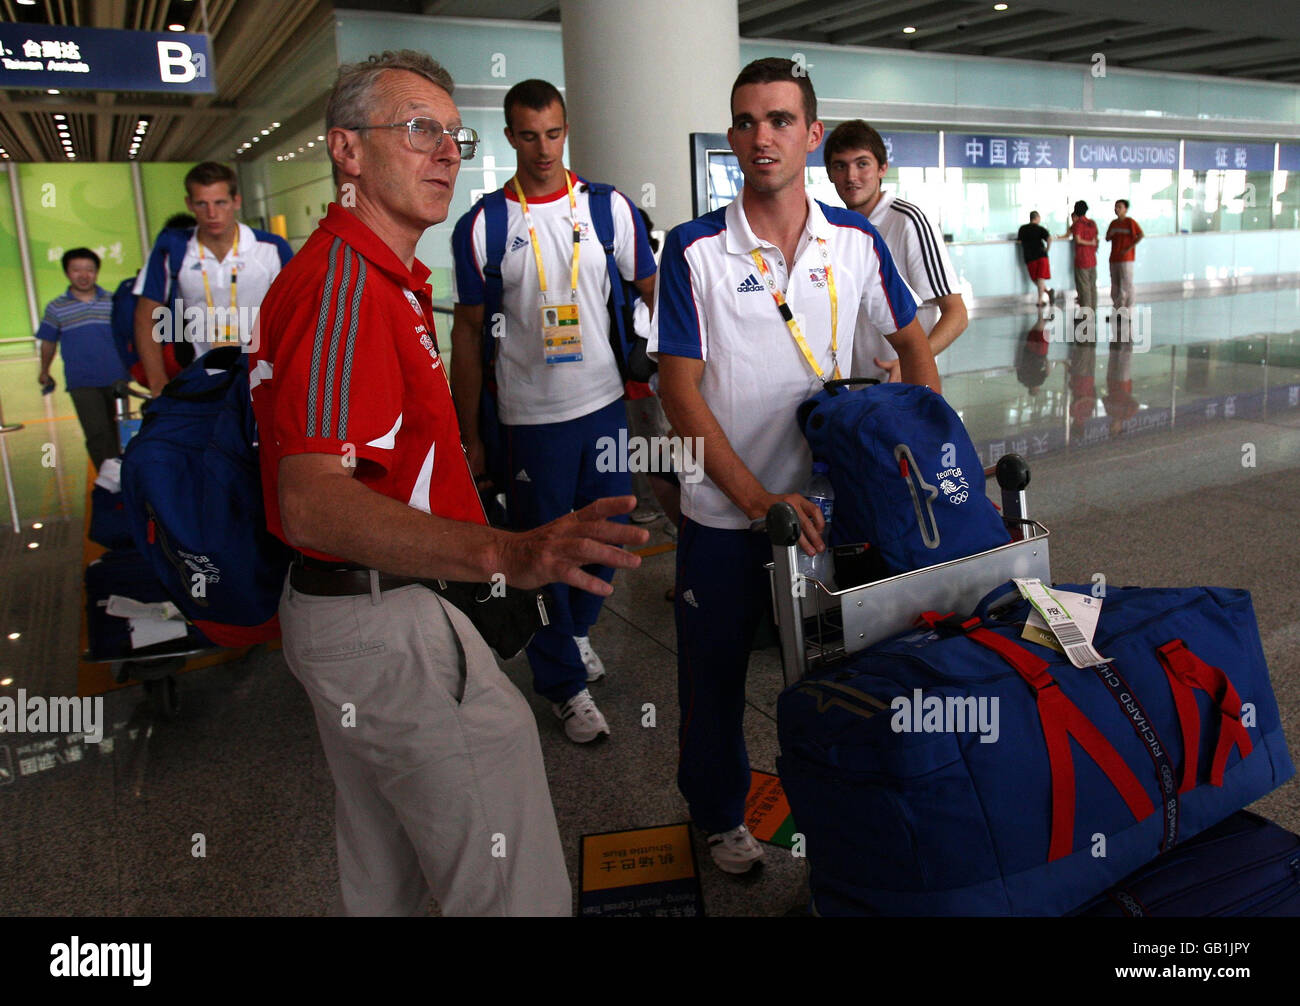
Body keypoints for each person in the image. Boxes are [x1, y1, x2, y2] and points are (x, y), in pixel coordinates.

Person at [250, 50, 647, 916]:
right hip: (386, 625)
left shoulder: (379, 279)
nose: (446, 152)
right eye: (417, 129)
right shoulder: (343, 287)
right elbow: (312, 496)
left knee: (389, 879)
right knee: (512, 890)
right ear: (347, 151)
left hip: (364, 619)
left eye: (453, 134)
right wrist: (507, 548)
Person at [652, 58, 939, 874]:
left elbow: (911, 346)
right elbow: (678, 387)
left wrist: (916, 466)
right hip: (726, 517)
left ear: (811, 133)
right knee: (710, 683)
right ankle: (717, 813)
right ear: (732, 139)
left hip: (833, 516)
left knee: (840, 674)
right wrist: (754, 499)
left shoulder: (854, 242)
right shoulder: (696, 249)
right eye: (745, 122)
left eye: (780, 120)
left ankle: (848, 806)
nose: (761, 137)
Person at [449, 79, 657, 744]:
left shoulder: (609, 210)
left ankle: (572, 632)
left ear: (567, 131)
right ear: (510, 136)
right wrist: (471, 434)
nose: (543, 148)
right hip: (525, 419)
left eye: (554, 133)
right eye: (529, 135)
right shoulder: (483, 225)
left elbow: (657, 290)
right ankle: (562, 685)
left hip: (601, 406)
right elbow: (467, 334)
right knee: (538, 553)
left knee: (606, 542)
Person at [823, 120, 967, 381]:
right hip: (853, 390)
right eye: (840, 166)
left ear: (882, 168)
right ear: (830, 173)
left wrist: (909, 361)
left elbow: (956, 314)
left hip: (903, 390)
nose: (851, 176)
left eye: (862, 163)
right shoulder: (836, 230)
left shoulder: (908, 221)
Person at [133, 162, 292, 397]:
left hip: (266, 378)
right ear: (189, 204)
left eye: (220, 203)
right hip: (202, 377)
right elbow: (146, 317)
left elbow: (298, 312)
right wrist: (157, 383)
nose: (212, 213)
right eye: (201, 203)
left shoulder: (270, 248)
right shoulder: (173, 249)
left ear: (236, 201)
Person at [36, 248, 126, 470]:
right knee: (97, 432)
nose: (84, 275)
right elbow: (48, 341)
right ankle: (109, 480)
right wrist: (44, 370)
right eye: (76, 270)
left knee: (120, 430)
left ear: (97, 272)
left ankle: (127, 477)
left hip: (117, 379)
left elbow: (129, 335)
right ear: (67, 273)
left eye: (90, 270)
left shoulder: (113, 301)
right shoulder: (56, 307)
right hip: (82, 381)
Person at [1059, 200, 1100, 434]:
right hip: (1093, 260)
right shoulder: (1092, 223)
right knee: (1091, 290)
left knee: (1084, 289)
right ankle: (1090, 317)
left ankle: (1086, 319)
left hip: (1082, 260)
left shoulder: (1077, 225)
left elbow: (1074, 238)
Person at [1104, 199, 1144, 428]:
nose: (1117, 210)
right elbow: (1108, 237)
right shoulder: (1113, 223)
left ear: (1126, 208)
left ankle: (1128, 309)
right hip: (1114, 258)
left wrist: (1129, 247)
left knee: (1128, 284)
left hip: (1127, 258)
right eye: (1115, 207)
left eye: (1119, 207)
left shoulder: (1130, 223)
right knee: (1115, 285)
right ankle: (1118, 308)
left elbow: (1140, 235)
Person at [1016, 211, 1052, 313]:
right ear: (1037, 218)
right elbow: (1049, 238)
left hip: (1029, 257)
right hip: (1041, 256)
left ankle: (1040, 300)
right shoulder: (1040, 229)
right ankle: (1047, 292)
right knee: (1040, 278)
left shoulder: (1022, 229)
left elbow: (1019, 241)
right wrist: (1047, 249)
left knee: (1035, 278)